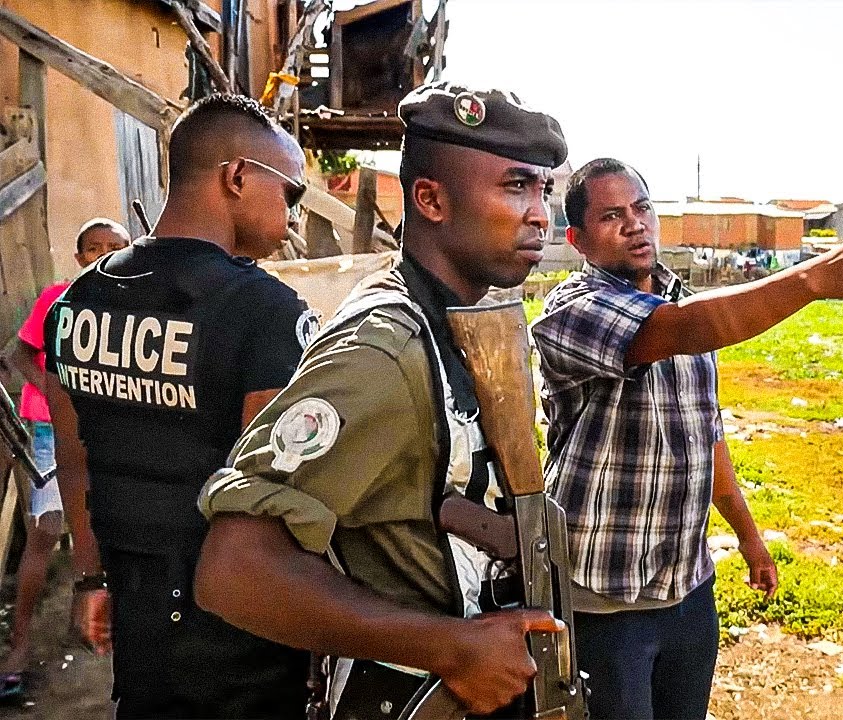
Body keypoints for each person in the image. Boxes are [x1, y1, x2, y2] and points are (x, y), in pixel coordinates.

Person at [193, 82, 569, 717]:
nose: (540, 214)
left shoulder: (457, 319)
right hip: (413, 693)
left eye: (544, 191)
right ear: (429, 199)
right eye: (515, 187)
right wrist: (451, 648)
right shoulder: (381, 350)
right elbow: (234, 568)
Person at [530, 157, 843, 720]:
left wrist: (748, 536)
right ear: (577, 239)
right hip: (604, 595)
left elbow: (707, 434)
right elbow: (683, 330)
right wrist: (815, 277)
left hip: (687, 587)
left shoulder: (679, 300)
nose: (635, 225)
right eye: (611, 216)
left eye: (642, 208)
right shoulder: (573, 313)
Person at [42, 94, 315, 719]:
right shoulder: (267, 313)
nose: (291, 215)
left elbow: (74, 457)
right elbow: (275, 495)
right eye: (290, 193)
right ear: (238, 177)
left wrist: (92, 578)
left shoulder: (77, 302)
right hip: (240, 630)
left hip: (136, 613)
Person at [0, 218, 129, 700]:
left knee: (97, 530)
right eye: (93, 248)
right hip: (52, 430)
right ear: (78, 258)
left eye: (114, 247)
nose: (102, 255)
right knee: (46, 532)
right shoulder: (57, 298)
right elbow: (16, 355)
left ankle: (92, 631)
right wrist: (56, 392)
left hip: (107, 431)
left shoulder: (130, 305)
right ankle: (18, 646)